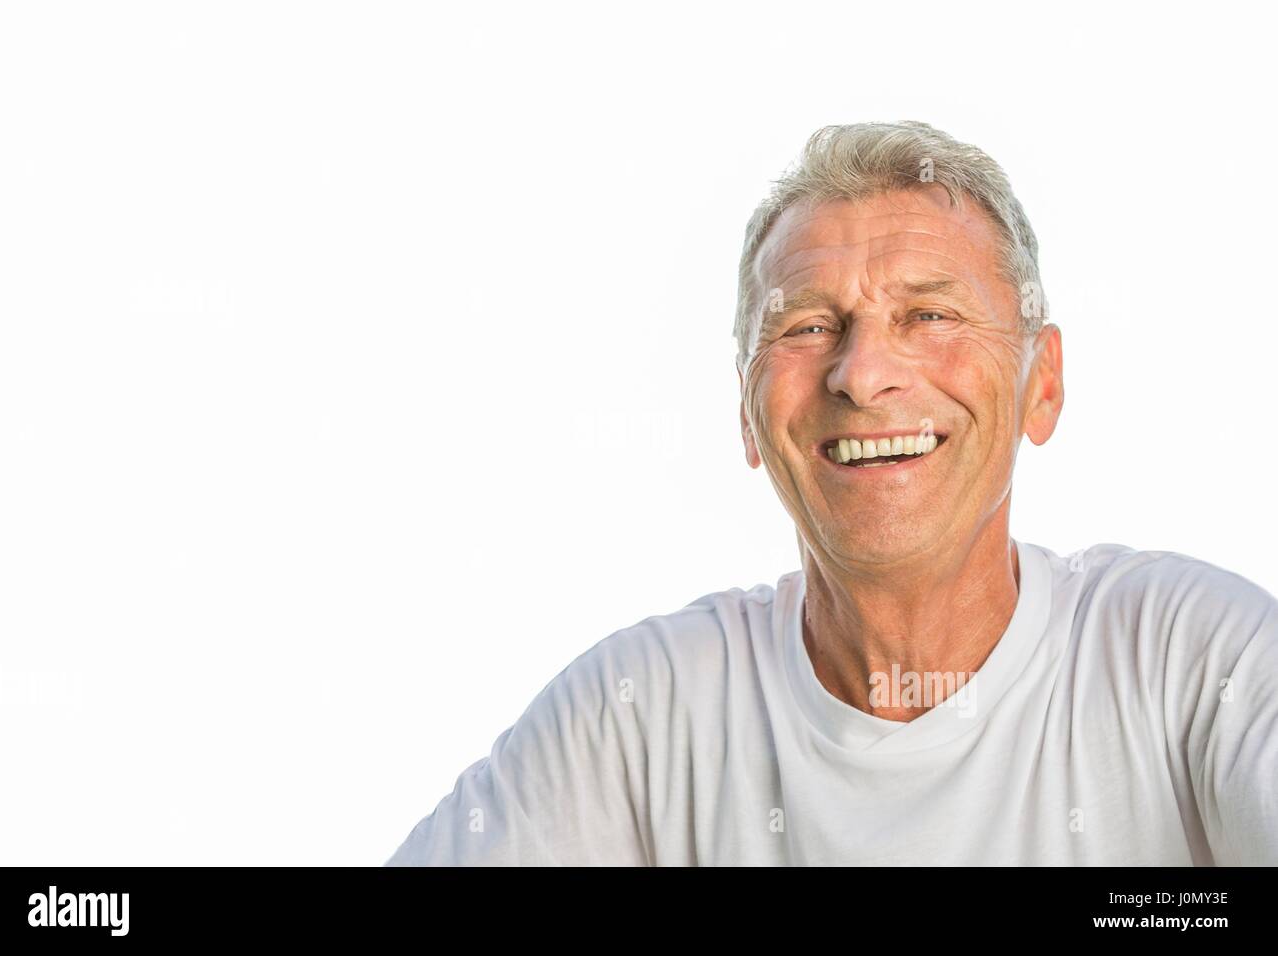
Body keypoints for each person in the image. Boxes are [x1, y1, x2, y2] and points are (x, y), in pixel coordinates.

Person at [385, 121, 1278, 865]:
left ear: (1040, 382)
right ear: (747, 413)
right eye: (810, 326)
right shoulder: (639, 712)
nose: (862, 373)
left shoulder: (1192, 660)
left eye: (927, 315)